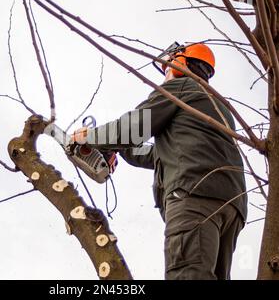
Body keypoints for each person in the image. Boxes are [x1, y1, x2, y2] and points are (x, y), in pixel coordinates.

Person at [70, 43, 247, 280]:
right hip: (231, 205)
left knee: (187, 274)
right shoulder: (214, 105)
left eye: (166, 67)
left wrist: (90, 137)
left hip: (193, 195)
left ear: (179, 63)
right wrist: (118, 149)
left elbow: (134, 127)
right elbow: (163, 154)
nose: (165, 73)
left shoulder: (181, 87)